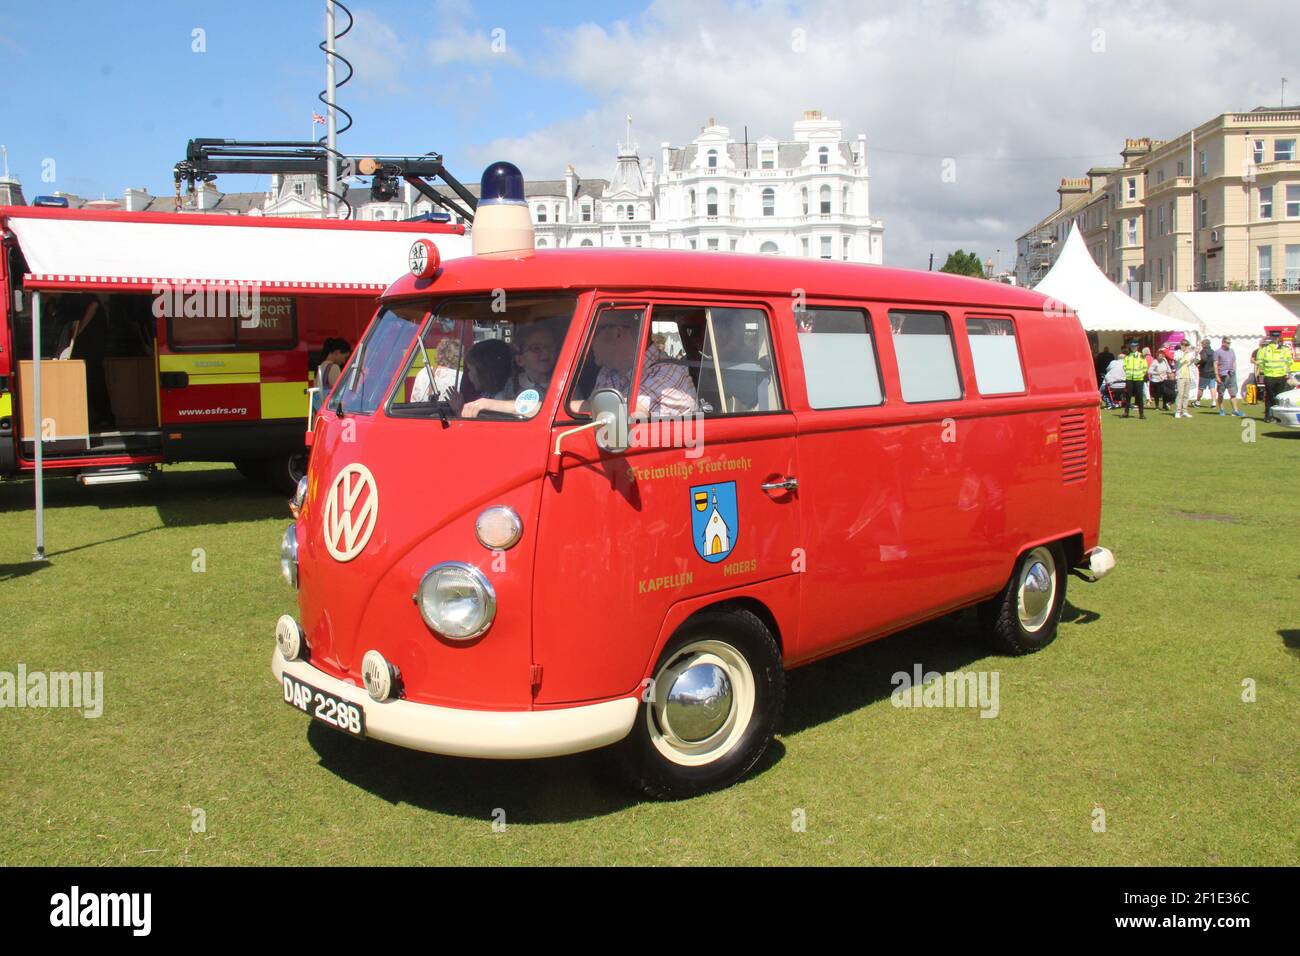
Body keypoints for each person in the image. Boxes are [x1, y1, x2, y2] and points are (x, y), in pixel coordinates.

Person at [587, 312, 698, 418]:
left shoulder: (666, 376)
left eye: (593, 331)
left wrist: (574, 407)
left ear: (617, 333)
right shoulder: (609, 370)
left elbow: (624, 415)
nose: (589, 340)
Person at [455, 324, 559, 418]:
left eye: (550, 347)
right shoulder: (512, 384)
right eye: (536, 348)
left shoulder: (562, 383)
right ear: (519, 359)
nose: (545, 353)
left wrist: (488, 404)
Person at [1257, 329, 1293, 423]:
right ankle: (1268, 416)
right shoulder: (1265, 349)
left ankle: (1278, 417)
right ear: (1270, 337)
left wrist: (1287, 372)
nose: (1275, 338)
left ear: (1279, 337)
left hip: (1281, 376)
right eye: (1274, 337)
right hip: (1269, 376)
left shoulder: (1285, 349)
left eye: (1277, 337)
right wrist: (1264, 370)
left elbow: (1290, 361)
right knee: (1270, 396)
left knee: (1279, 397)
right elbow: (1259, 361)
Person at [1214, 337, 1244, 417]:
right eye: (1227, 342)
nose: (1228, 344)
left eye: (1229, 343)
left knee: (1233, 393)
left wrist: (1234, 370)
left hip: (1231, 375)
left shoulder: (1232, 351)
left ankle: (1235, 410)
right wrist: (1217, 376)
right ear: (1223, 342)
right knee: (1221, 394)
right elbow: (1215, 364)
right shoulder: (1217, 352)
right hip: (1222, 375)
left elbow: (1234, 361)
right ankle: (1222, 410)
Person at [1121, 339, 1147, 419]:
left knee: (1139, 397)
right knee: (1128, 396)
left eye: (1135, 346)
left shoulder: (1141, 356)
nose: (1133, 348)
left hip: (1139, 379)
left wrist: (1141, 374)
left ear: (1137, 347)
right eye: (1132, 346)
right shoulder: (1127, 355)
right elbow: (1124, 366)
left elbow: (1145, 367)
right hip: (1129, 378)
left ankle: (1141, 414)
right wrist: (1128, 373)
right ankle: (1126, 413)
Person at [1173, 338, 1197, 418]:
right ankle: (1178, 411)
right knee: (1180, 394)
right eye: (1184, 345)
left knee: (1186, 395)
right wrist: (1184, 354)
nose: (1185, 346)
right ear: (1181, 345)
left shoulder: (1190, 354)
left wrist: (1196, 353)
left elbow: (1195, 361)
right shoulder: (1178, 353)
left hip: (1188, 376)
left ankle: (1184, 411)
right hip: (1180, 376)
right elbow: (1178, 361)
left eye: (1187, 345)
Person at [1195, 337, 1215, 407]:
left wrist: (1198, 363)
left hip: (1204, 372)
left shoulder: (1203, 351)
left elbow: (1204, 359)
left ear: (1205, 344)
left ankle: (1197, 402)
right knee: (1212, 387)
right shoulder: (1213, 351)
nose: (1201, 345)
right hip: (1212, 372)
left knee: (1201, 388)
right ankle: (1214, 402)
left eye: (1202, 344)